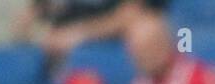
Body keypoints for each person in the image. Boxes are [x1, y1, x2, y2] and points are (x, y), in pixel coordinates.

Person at [12, 0, 163, 57]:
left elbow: (132, 13)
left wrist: (78, 34)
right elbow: (37, 10)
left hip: (115, 51)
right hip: (62, 53)